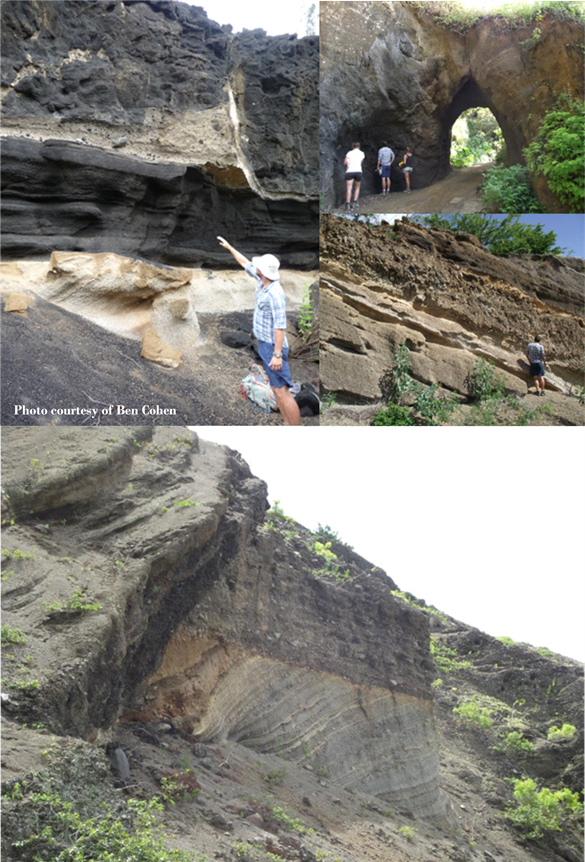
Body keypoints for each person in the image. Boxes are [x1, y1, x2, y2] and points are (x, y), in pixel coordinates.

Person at [217, 236, 301, 425]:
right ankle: (287, 424)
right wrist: (230, 247)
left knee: (283, 391)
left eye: (259, 265)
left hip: (273, 347)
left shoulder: (275, 294)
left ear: (263, 271)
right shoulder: (262, 281)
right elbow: (245, 263)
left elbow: (280, 326)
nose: (255, 266)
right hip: (265, 345)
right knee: (275, 388)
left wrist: (277, 355)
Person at [343, 142, 365, 209]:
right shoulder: (362, 153)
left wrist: (348, 164)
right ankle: (355, 202)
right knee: (357, 188)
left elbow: (345, 162)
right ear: (359, 147)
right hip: (358, 171)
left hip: (349, 171)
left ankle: (347, 204)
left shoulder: (349, 153)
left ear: (353, 146)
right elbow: (361, 162)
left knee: (349, 188)